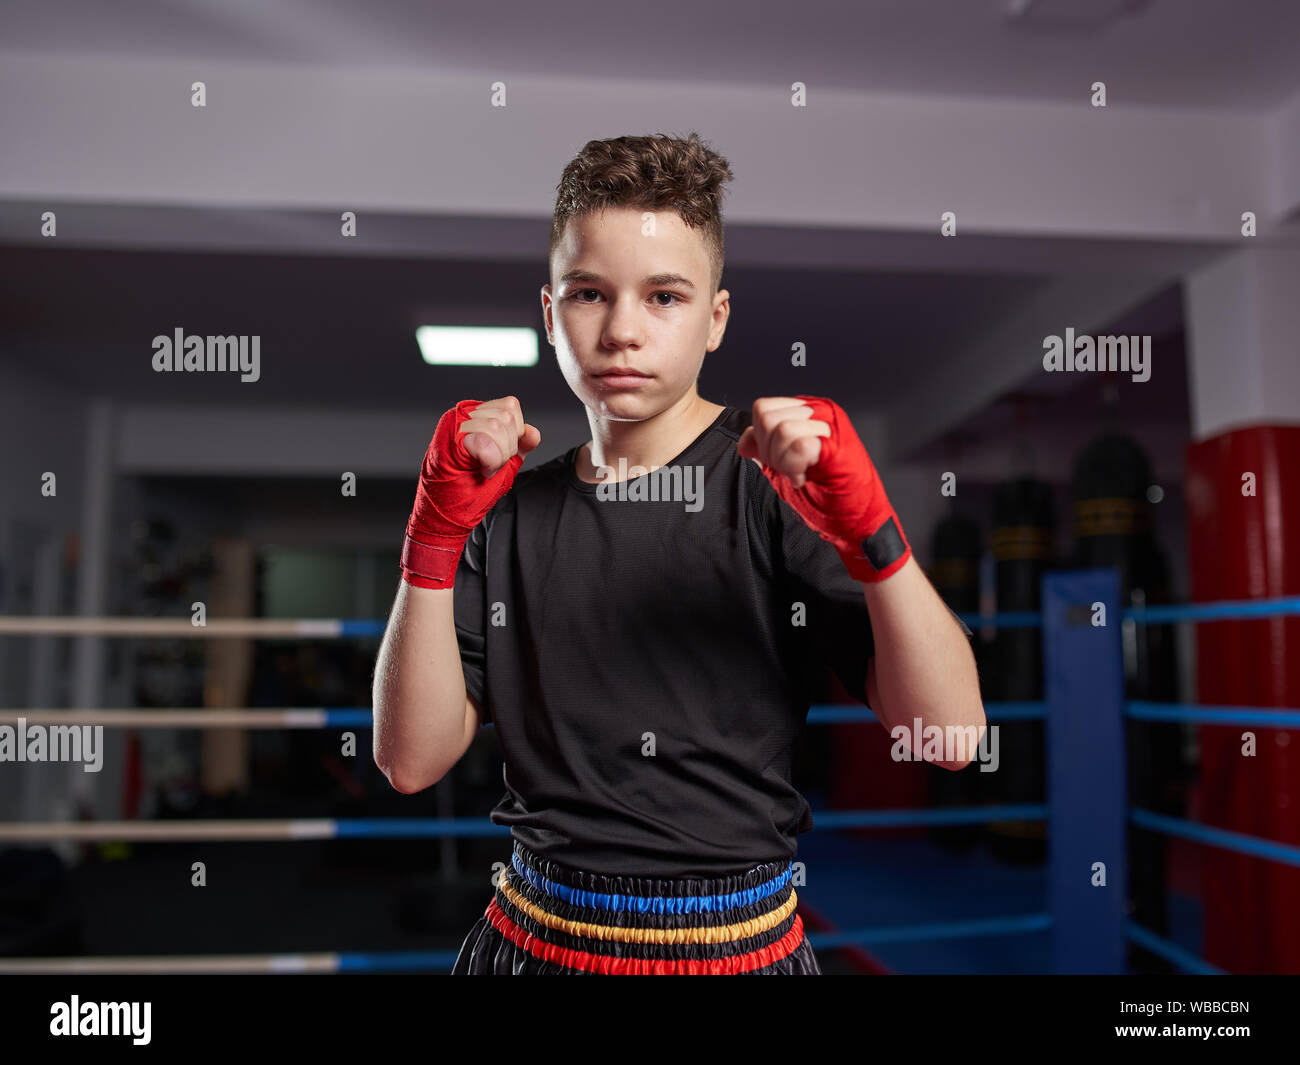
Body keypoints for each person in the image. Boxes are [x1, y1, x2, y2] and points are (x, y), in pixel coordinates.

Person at [372, 132, 984, 975]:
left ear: (715, 319)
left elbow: (950, 737)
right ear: (550, 314)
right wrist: (432, 541)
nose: (623, 330)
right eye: (589, 293)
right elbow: (409, 762)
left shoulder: (775, 482)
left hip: (735, 951)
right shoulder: (502, 506)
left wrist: (876, 540)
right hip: (530, 943)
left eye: (664, 296)